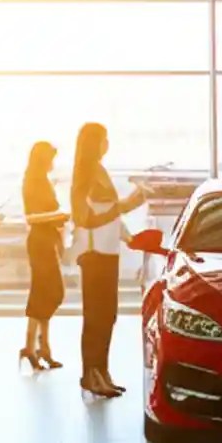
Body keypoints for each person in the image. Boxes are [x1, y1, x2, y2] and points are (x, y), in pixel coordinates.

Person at [69, 122, 148, 398]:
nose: (107, 144)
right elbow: (84, 217)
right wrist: (126, 205)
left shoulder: (99, 171)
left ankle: (101, 371)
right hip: (94, 255)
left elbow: (111, 214)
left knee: (107, 316)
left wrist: (128, 236)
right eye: (104, 139)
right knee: (96, 317)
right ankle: (91, 374)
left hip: (108, 253)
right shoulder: (86, 174)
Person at [20, 141, 69, 371]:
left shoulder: (40, 180)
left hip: (45, 240)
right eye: (51, 158)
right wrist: (57, 216)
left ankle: (37, 346)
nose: (53, 163)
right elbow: (32, 217)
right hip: (40, 242)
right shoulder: (33, 181)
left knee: (45, 293)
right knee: (49, 292)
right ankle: (37, 346)